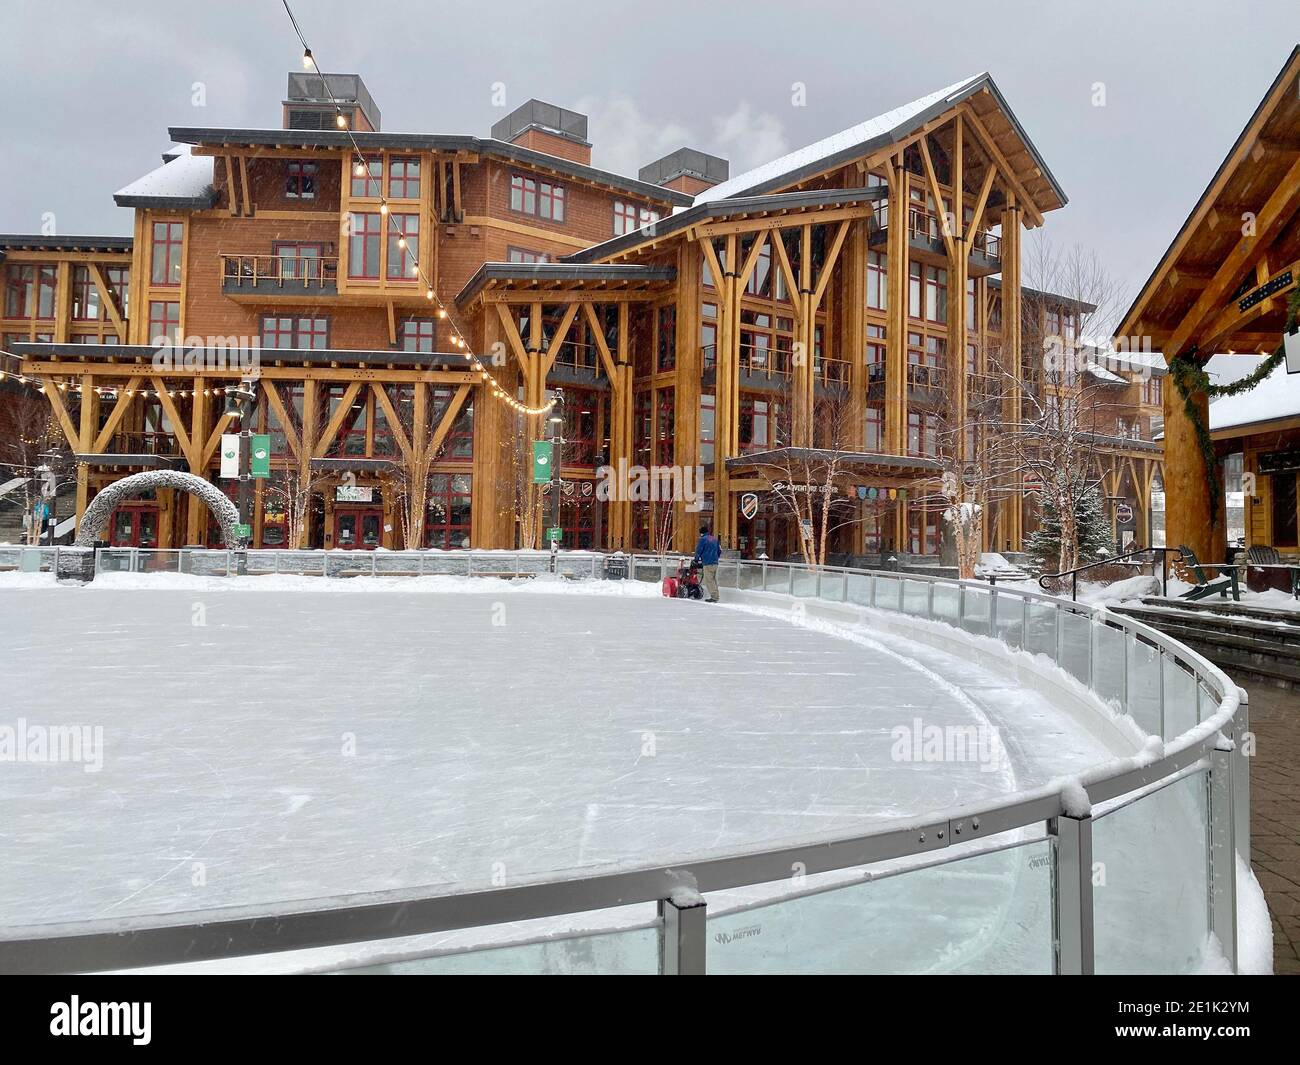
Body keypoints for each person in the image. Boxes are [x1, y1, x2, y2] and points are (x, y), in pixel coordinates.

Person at [693, 523, 721, 603]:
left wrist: (696, 560)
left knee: (709, 580)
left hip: (707, 563)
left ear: (701, 533)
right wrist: (715, 558)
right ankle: (716, 595)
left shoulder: (703, 539)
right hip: (715, 563)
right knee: (713, 580)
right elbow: (719, 551)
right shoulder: (714, 539)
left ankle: (714, 597)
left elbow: (699, 550)